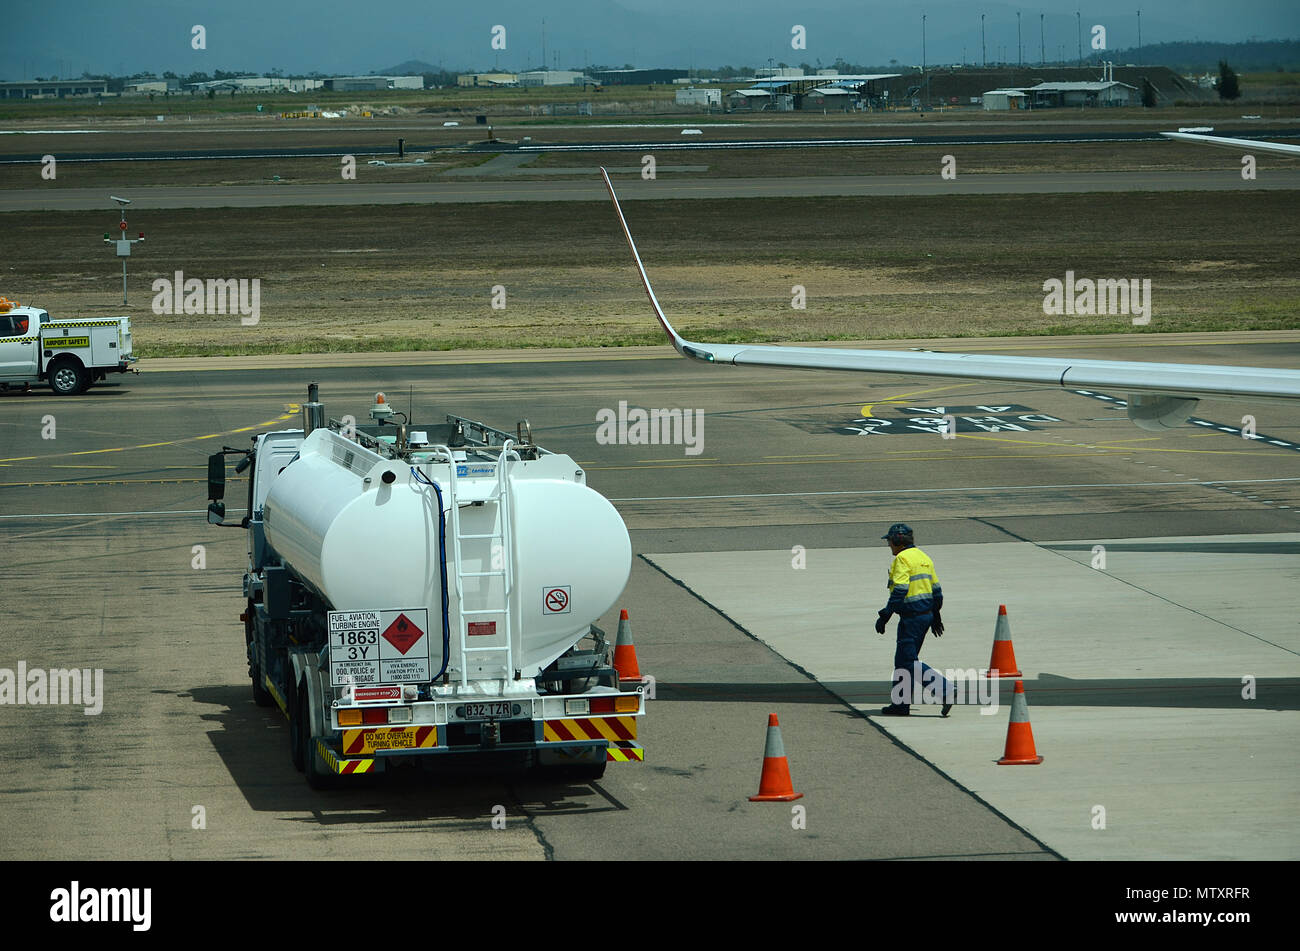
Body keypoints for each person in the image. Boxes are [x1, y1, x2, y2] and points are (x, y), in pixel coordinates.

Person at [874, 523, 953, 717]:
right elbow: (937, 591)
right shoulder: (923, 556)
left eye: (890, 541)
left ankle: (945, 689)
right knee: (902, 661)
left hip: (912, 618)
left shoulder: (902, 559)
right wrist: (936, 615)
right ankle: (900, 705)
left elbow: (900, 589)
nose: (889, 545)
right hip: (925, 615)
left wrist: (886, 614)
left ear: (897, 542)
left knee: (908, 661)